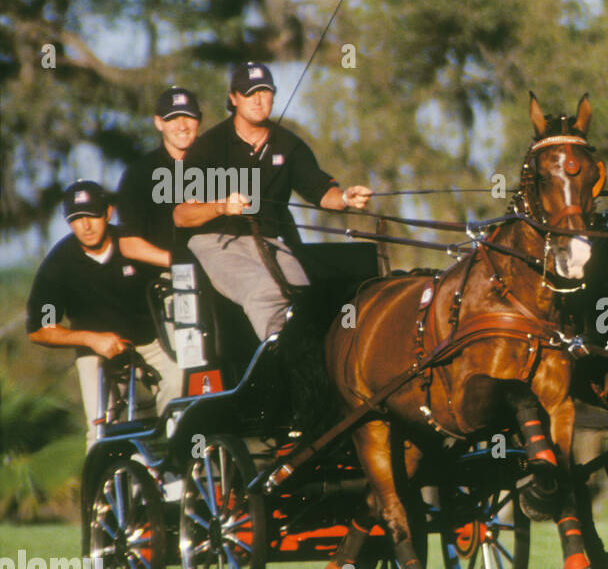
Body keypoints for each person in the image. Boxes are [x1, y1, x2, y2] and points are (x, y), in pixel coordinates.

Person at [173, 62, 372, 340]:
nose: (257, 99)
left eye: (264, 92)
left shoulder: (288, 145)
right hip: (216, 241)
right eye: (249, 92)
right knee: (264, 292)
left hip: (269, 241)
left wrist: (346, 198)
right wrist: (220, 206)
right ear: (233, 98)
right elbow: (182, 215)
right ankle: (282, 361)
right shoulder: (208, 146)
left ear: (274, 95)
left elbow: (322, 193)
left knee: (305, 298)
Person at [27, 180, 182, 448]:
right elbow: (41, 329)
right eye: (77, 219)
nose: (86, 226)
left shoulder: (132, 243)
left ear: (108, 213)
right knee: (98, 428)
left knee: (180, 390)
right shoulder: (58, 266)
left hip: (150, 343)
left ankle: (174, 469)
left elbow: (173, 271)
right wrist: (91, 339)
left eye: (92, 215)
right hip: (96, 353)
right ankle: (100, 484)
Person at [114, 85, 204, 266]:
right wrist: (178, 262)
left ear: (199, 120)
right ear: (158, 122)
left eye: (189, 117)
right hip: (163, 277)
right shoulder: (139, 174)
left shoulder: (221, 164)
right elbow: (129, 244)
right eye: (172, 118)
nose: (182, 126)